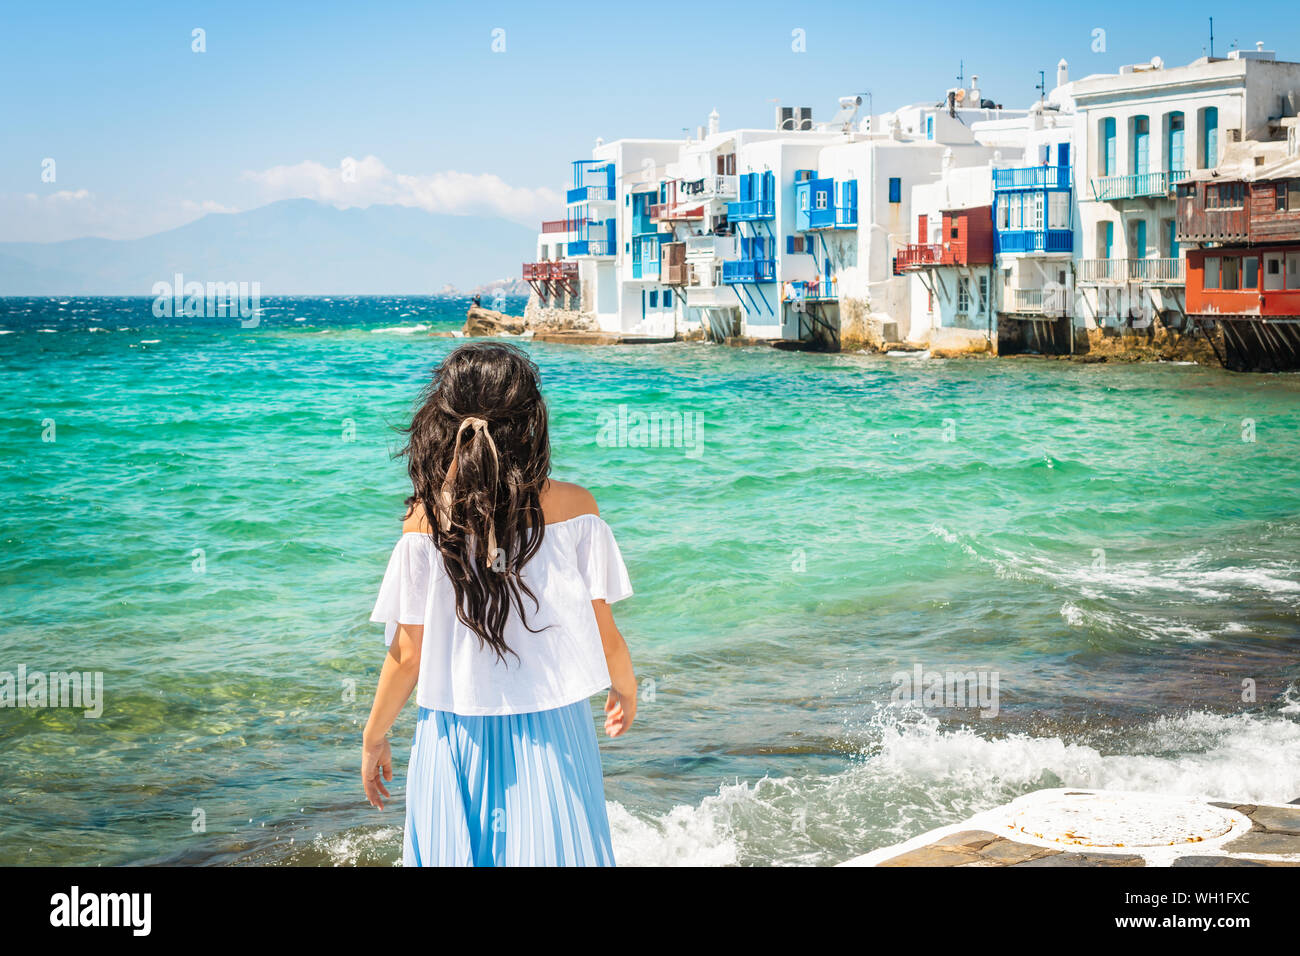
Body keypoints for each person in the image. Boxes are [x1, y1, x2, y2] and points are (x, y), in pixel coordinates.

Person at [362, 342, 637, 866]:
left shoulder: (426, 521)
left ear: (443, 422)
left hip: (454, 731)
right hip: (553, 727)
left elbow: (407, 655)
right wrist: (625, 685)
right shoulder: (576, 508)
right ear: (528, 422)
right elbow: (605, 632)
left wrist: (374, 736)